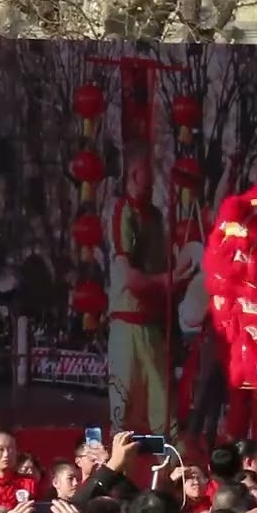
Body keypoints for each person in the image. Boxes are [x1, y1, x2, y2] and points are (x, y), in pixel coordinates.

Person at [107, 147, 190, 436]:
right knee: (124, 398)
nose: (152, 182)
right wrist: (165, 280)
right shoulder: (123, 211)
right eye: (147, 175)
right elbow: (130, 277)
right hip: (127, 319)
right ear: (133, 175)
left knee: (162, 402)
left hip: (153, 321)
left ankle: (169, 463)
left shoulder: (154, 216)